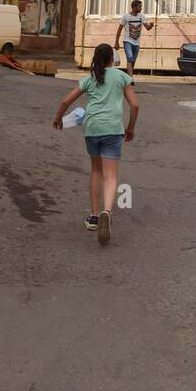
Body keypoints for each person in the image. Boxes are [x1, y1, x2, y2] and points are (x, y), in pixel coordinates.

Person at [52, 43, 139, 245]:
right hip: (113, 130)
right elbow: (134, 105)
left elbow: (66, 101)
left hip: (92, 129)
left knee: (96, 171)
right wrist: (131, 127)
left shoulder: (90, 78)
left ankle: (93, 217)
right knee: (111, 176)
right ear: (112, 59)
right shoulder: (122, 77)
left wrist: (58, 119)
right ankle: (106, 212)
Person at [114, 0, 155, 71]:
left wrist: (151, 25)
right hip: (127, 41)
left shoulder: (141, 16)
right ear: (134, 7)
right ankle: (131, 79)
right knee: (130, 58)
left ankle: (129, 76)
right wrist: (116, 42)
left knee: (133, 61)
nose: (141, 8)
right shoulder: (126, 16)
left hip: (136, 43)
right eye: (140, 7)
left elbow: (147, 28)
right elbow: (119, 30)